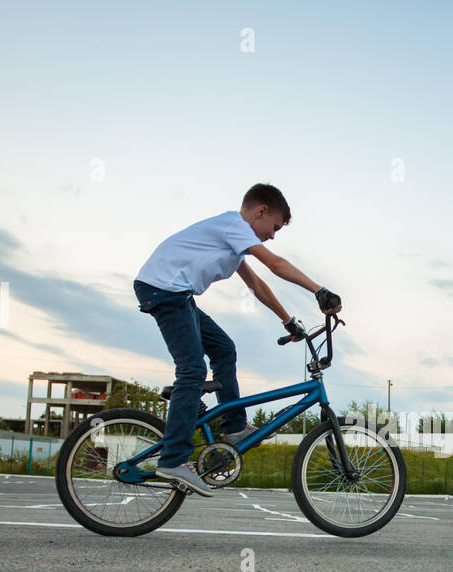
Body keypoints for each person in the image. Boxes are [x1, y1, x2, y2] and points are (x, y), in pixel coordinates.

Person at [133, 183, 341, 496]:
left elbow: (258, 285)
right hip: (164, 291)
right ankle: (173, 458)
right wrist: (319, 290)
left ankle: (233, 427)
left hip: (175, 294)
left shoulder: (232, 237)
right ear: (260, 211)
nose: (272, 235)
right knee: (191, 369)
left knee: (223, 348)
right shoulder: (234, 225)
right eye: (275, 227)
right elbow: (275, 264)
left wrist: (288, 322)